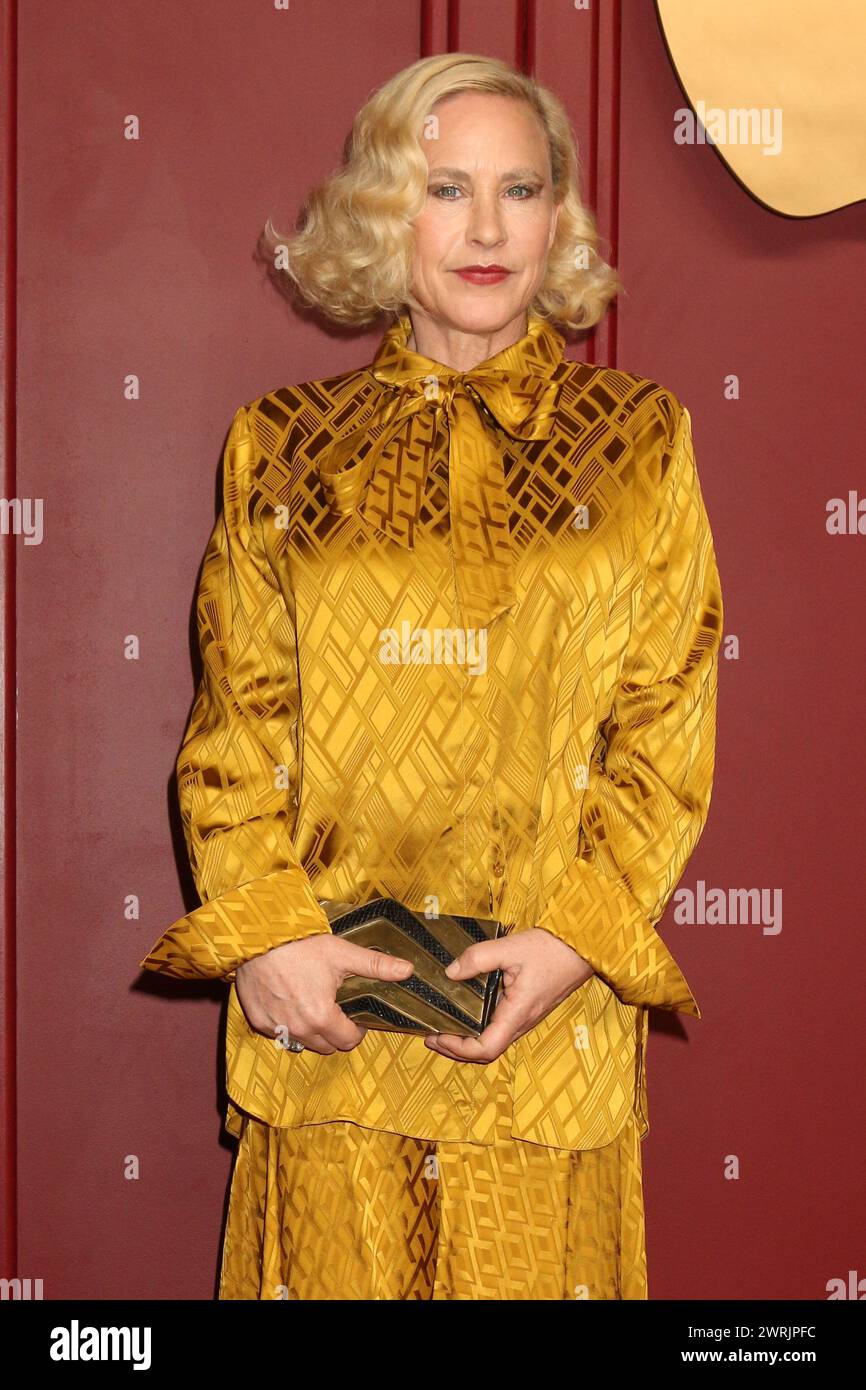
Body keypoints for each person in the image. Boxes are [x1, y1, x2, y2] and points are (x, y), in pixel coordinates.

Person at [139, 52, 723, 1301]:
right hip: (330, 1036)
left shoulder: (638, 444)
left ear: (555, 218)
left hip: (544, 1039)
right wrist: (269, 944)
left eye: (518, 190)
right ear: (382, 211)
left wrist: (575, 939)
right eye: (444, 188)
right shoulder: (281, 446)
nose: (485, 228)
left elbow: (663, 726)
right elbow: (238, 729)